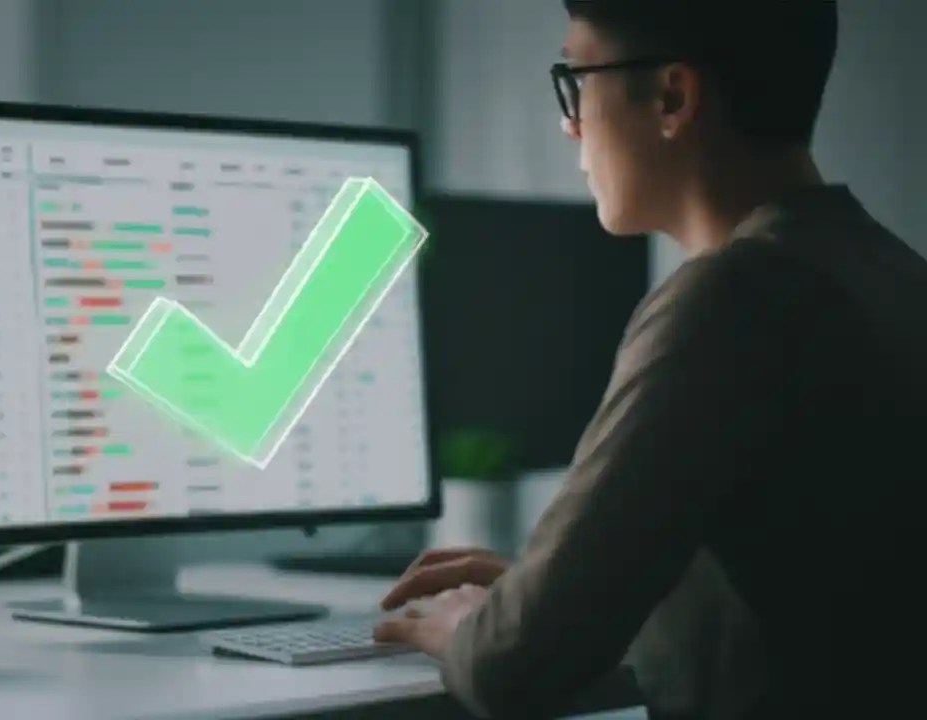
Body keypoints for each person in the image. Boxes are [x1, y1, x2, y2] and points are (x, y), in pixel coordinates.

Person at [373, 1, 927, 717]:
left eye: (577, 79)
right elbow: (816, 609)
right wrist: (557, 596)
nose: (568, 122)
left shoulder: (730, 301)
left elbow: (511, 667)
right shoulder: (894, 274)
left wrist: (470, 627)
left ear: (672, 97)